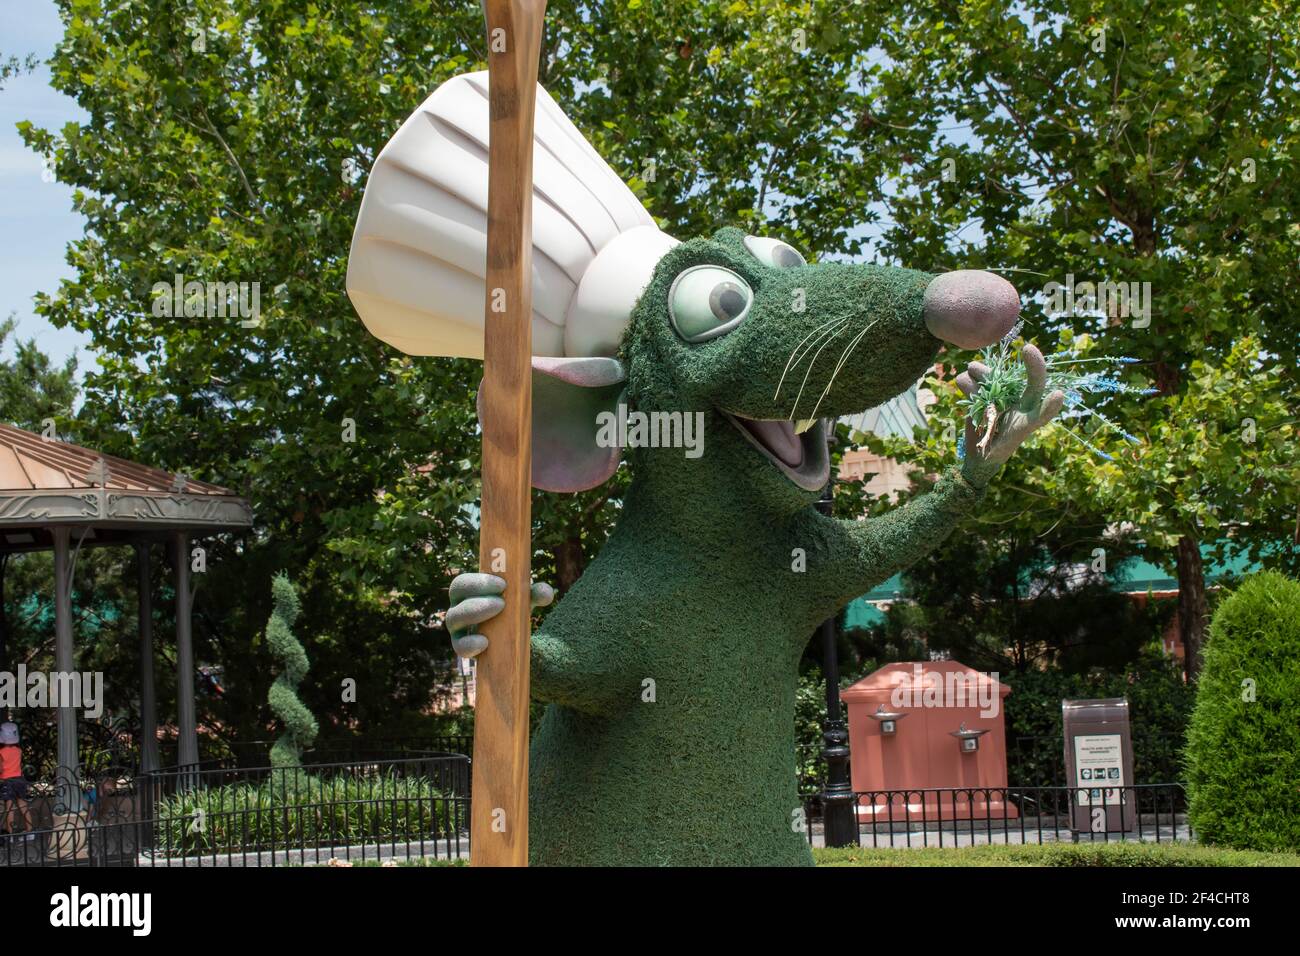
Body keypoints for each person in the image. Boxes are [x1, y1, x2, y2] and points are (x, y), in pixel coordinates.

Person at [0, 722, 34, 840]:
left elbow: (1, 768)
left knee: (9, 808)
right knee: (23, 805)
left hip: (7, 781)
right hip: (20, 780)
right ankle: (30, 831)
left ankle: (10, 834)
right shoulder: (18, 750)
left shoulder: (1, 752)